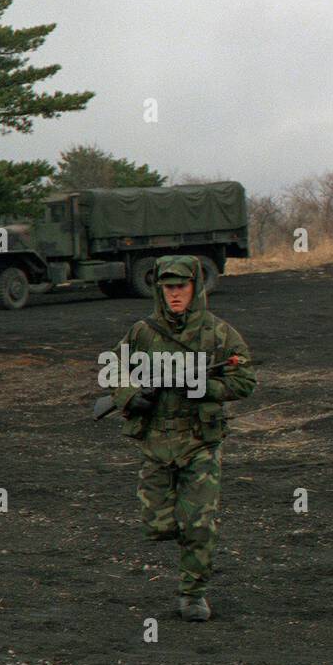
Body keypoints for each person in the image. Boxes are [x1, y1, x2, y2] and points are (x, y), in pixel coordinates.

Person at [108, 255, 256, 621]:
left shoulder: (219, 333)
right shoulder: (142, 333)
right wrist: (130, 394)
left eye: (182, 287)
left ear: (196, 287)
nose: (175, 294)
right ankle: (182, 541)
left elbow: (245, 381)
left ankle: (193, 594)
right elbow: (112, 368)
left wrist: (203, 386)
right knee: (158, 525)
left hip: (199, 442)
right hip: (156, 442)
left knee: (199, 525)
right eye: (168, 288)